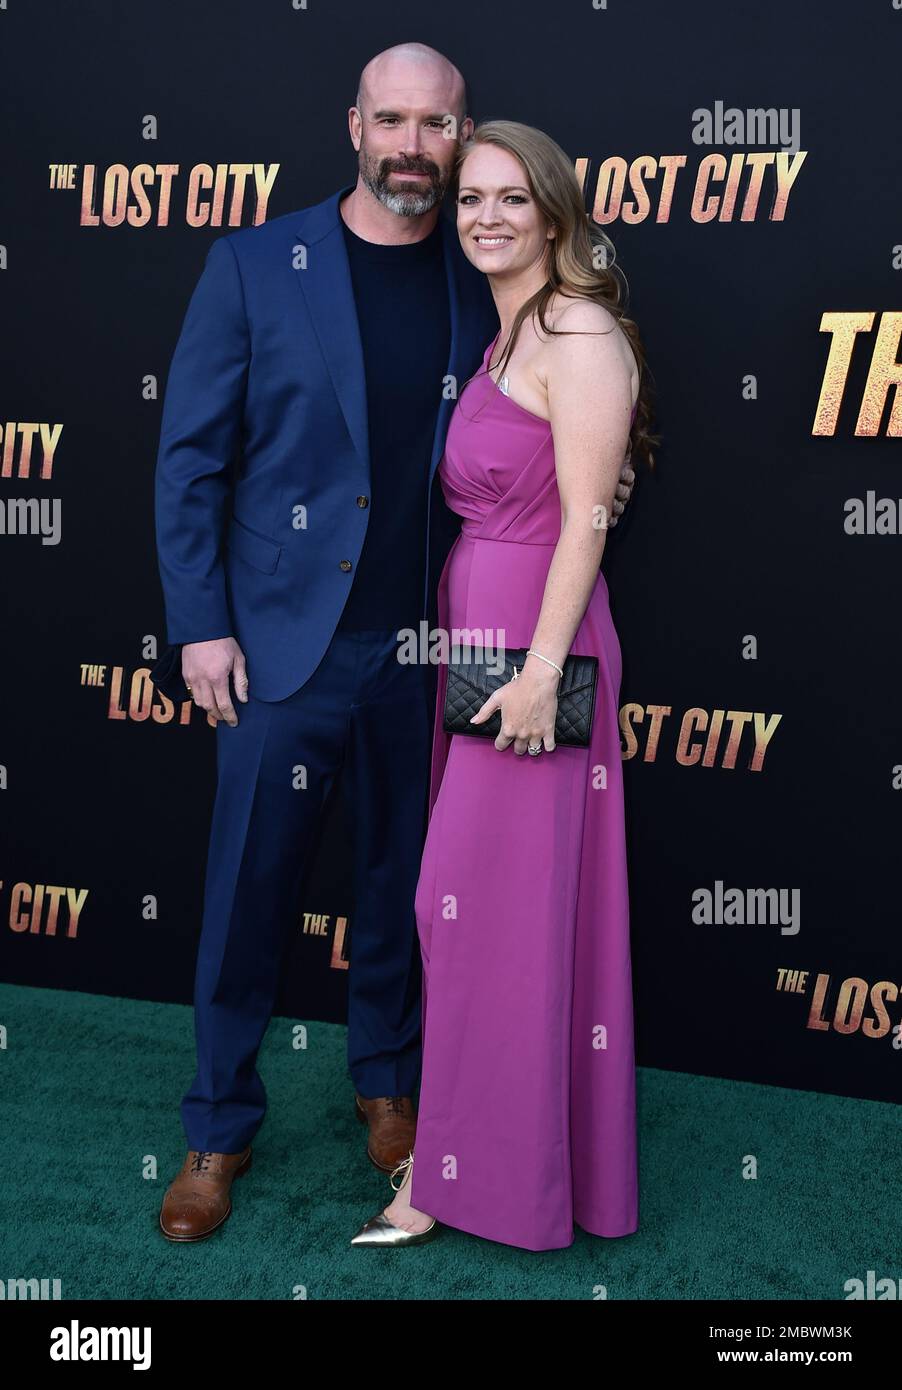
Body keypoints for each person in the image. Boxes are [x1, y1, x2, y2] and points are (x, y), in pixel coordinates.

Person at [153, 44, 636, 1242]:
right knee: (246, 893)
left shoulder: (492, 276)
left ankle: (389, 1085)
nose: (415, 149)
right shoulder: (256, 264)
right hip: (280, 645)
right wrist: (201, 622)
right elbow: (190, 460)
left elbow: (576, 414)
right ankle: (216, 1128)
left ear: (462, 134)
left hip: (443, 648)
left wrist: (612, 472)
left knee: (413, 892)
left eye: (437, 127)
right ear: (354, 126)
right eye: (393, 122)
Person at [351, 119, 656, 1251]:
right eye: (469, 198)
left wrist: (538, 674)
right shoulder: (507, 333)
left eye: (509, 199)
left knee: (486, 917)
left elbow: (583, 515)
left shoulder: (575, 330)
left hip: (535, 655)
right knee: (479, 918)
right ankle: (498, 1168)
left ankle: (451, 1182)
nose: (483, 216)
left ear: (554, 213)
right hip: (481, 644)